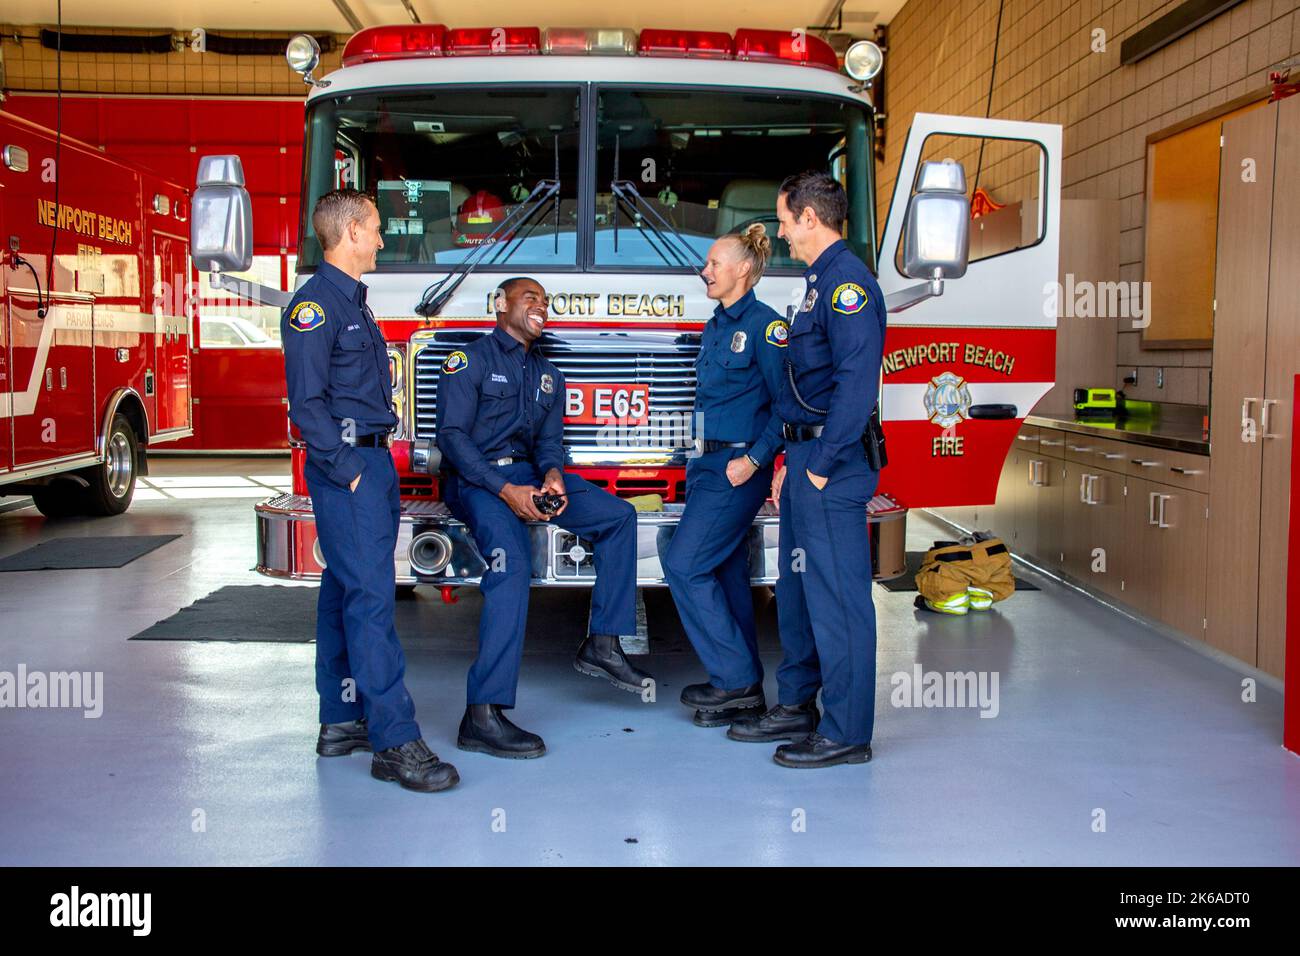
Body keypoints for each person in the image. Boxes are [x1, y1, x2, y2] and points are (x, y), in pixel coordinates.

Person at [283, 188, 458, 793]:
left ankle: (340, 719)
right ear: (351, 232)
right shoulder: (314, 308)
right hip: (349, 468)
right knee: (372, 601)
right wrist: (348, 469)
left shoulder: (353, 304)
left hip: (372, 463)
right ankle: (393, 740)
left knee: (343, 592)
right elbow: (305, 407)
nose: (383, 239)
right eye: (378, 229)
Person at [436, 277, 651, 759]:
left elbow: (550, 445)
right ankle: (481, 715)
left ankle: (602, 643)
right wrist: (504, 489)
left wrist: (552, 476)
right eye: (530, 298)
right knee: (510, 566)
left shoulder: (548, 376)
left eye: (545, 302)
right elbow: (451, 437)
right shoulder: (468, 362)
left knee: (619, 517)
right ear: (500, 305)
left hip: (531, 475)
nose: (542, 307)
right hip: (477, 482)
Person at [727, 171, 885, 769]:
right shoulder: (819, 283)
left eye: (786, 221)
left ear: (811, 219)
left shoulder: (848, 286)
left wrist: (817, 466)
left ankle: (847, 731)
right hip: (805, 461)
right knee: (796, 593)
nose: (782, 233)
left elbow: (855, 386)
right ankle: (797, 706)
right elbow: (807, 386)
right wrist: (791, 460)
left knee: (840, 601)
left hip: (832, 468)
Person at [662, 225, 786, 728]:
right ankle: (746, 694)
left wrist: (756, 461)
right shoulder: (716, 325)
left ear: (743, 270)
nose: (705, 270)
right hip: (706, 465)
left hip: (737, 469)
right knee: (727, 574)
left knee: (683, 565)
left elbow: (787, 405)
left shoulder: (767, 327)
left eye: (714, 264)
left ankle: (733, 677)